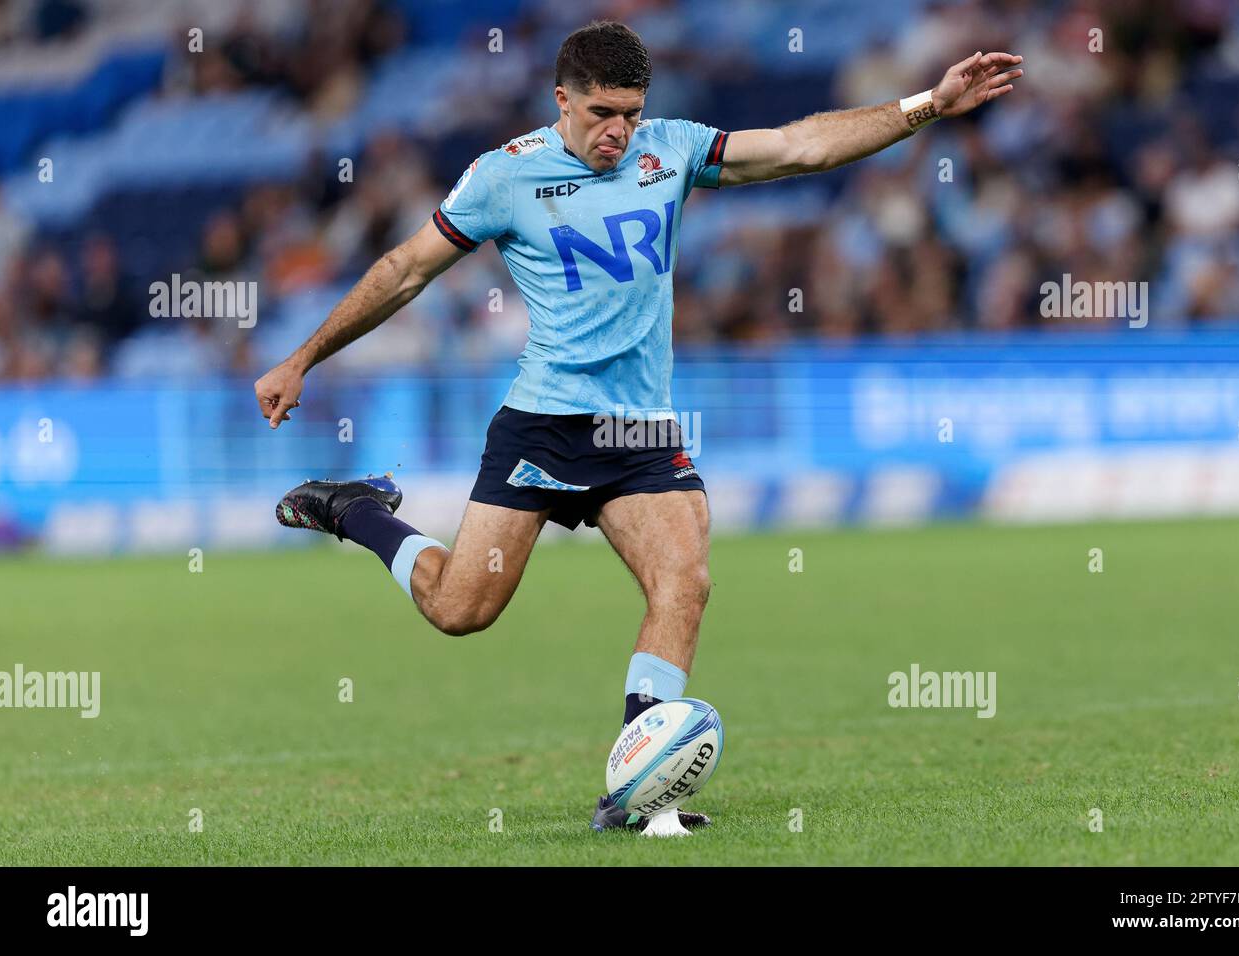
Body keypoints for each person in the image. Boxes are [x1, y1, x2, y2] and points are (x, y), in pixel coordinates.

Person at [254, 20, 1022, 834]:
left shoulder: (675, 148)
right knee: (459, 610)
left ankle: (638, 794)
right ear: (563, 100)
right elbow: (404, 271)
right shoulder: (504, 177)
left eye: (631, 112)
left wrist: (926, 106)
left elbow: (801, 147)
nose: (619, 130)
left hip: (639, 434)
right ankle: (356, 510)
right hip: (543, 429)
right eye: (602, 113)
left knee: (683, 581)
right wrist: (302, 356)